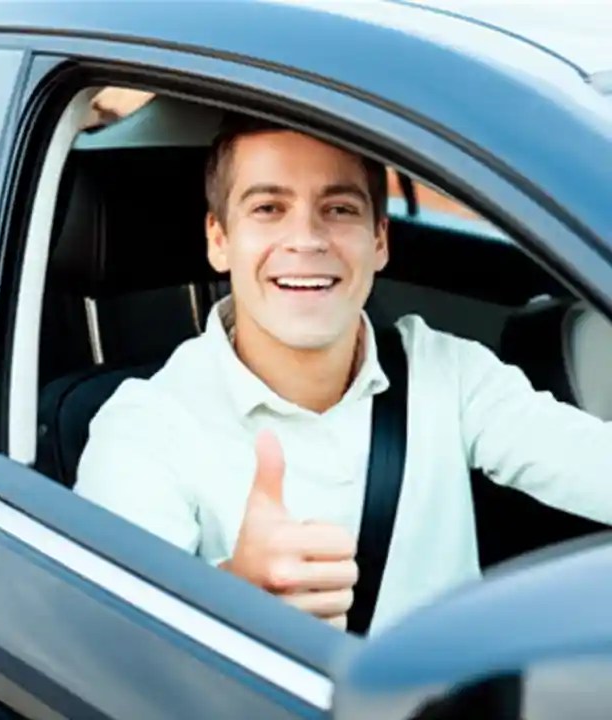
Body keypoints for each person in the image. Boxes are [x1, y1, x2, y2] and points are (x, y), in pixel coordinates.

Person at [73, 112, 612, 633]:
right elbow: (110, 651)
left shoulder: (449, 373)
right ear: (219, 240)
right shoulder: (146, 427)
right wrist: (234, 599)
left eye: (338, 209)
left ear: (379, 240)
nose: (306, 239)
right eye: (268, 208)